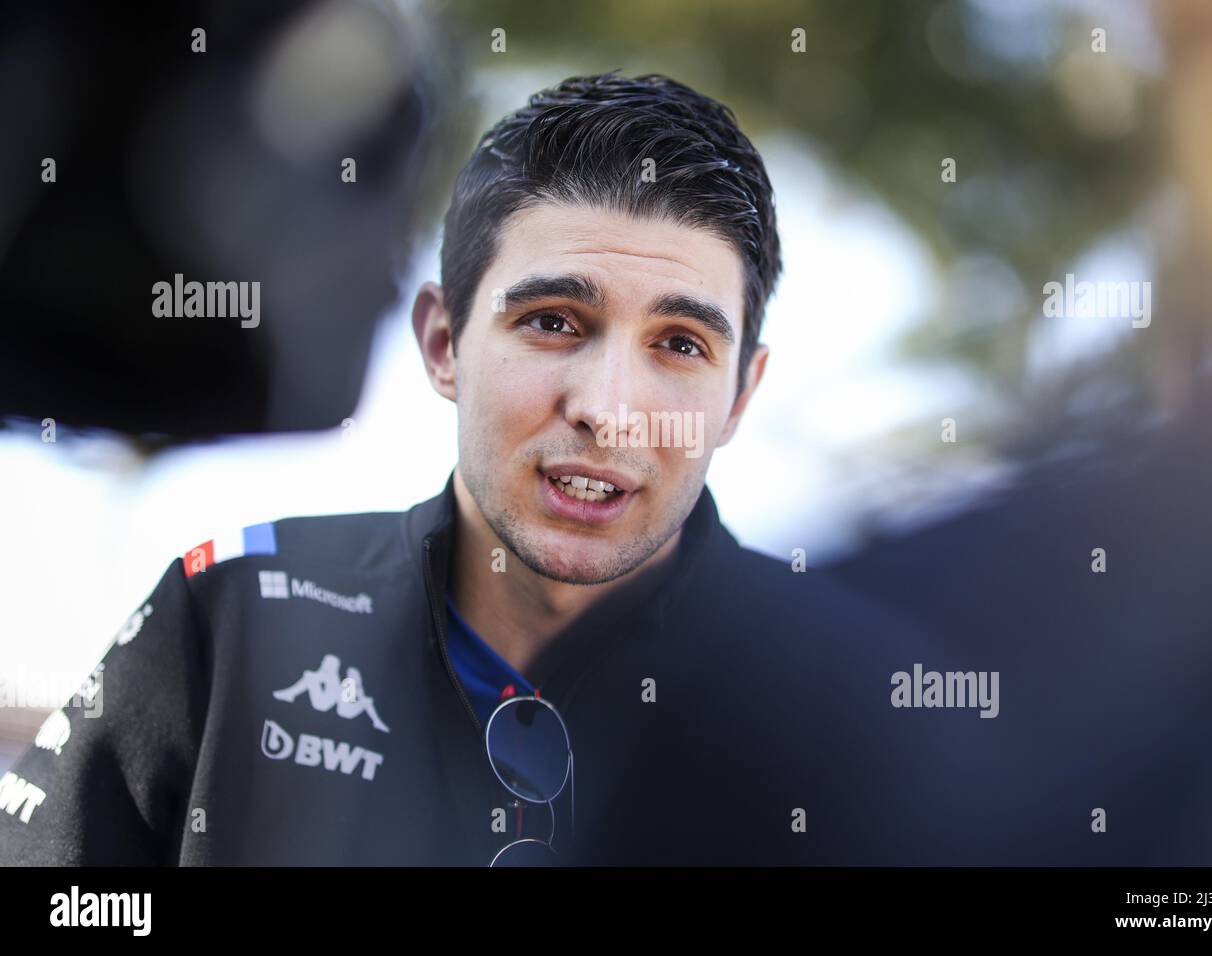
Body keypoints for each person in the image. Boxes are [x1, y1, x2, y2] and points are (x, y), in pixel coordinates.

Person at [0, 72, 957, 866]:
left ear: (741, 396)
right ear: (444, 343)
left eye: (679, 344)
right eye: (554, 323)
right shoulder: (232, 620)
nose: (607, 405)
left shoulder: (863, 705)